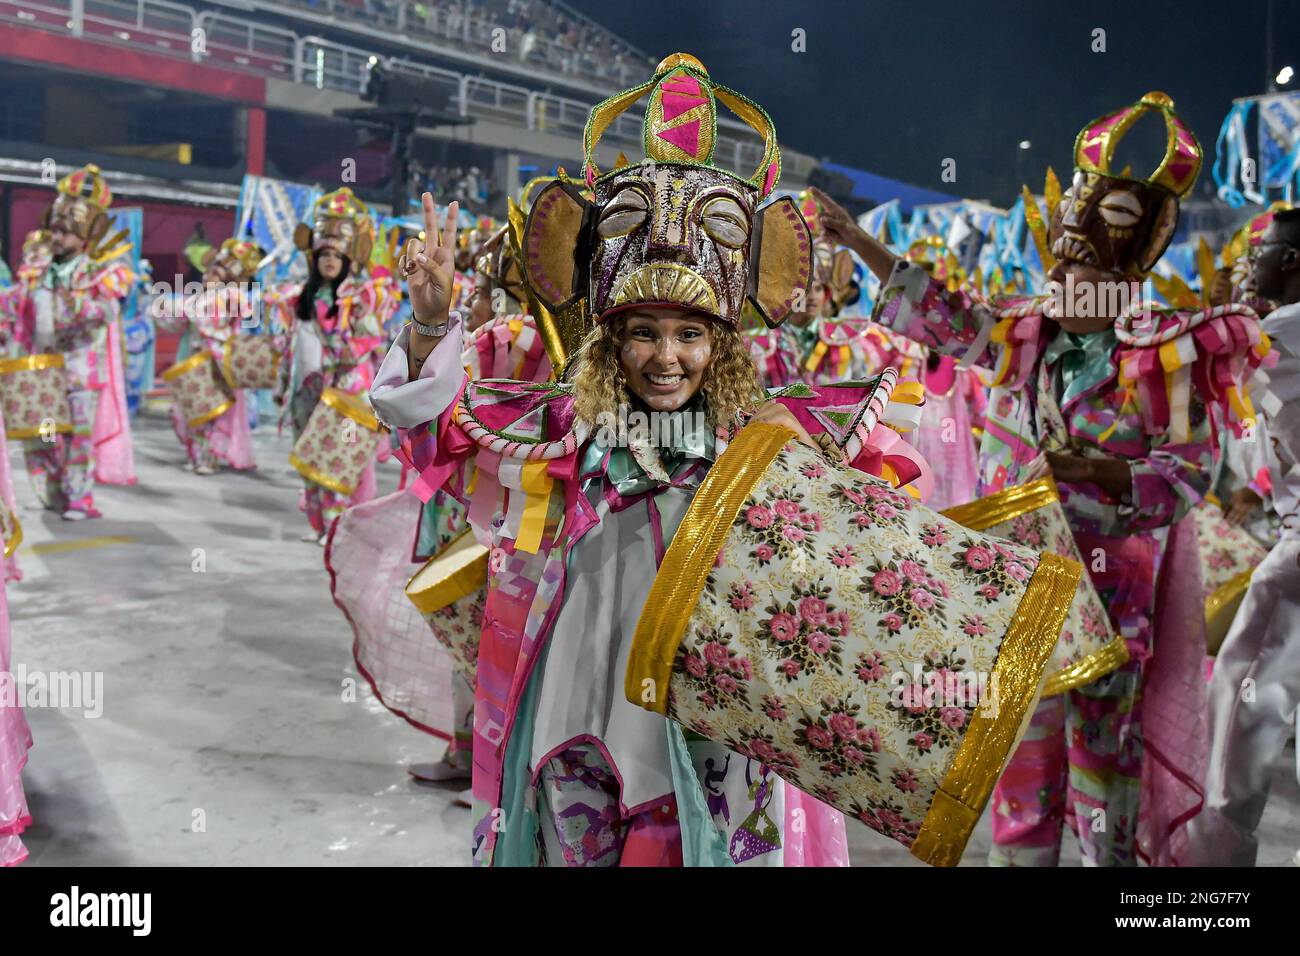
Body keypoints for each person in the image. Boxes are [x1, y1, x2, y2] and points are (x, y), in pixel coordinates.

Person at [370, 54, 875, 866]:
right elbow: (435, 438)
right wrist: (430, 325)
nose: (664, 357)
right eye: (643, 331)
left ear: (722, 345)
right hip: (570, 723)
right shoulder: (567, 431)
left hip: (706, 742)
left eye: (689, 334)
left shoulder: (769, 447)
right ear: (611, 340)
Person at [812, 92, 1269, 866]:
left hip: (1116, 596)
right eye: (1060, 260)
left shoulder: (1169, 357)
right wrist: (857, 238)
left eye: (1081, 264)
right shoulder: (1020, 335)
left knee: (1104, 774)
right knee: (1021, 777)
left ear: (1123, 274)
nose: (1063, 274)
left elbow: (1188, 477)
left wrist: (1096, 470)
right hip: (1021, 590)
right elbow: (938, 314)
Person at [1186, 205, 1300, 865]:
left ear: (1288, 263)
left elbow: (1202, 384)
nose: (1246, 261)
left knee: (1243, 693)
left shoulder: (1282, 331)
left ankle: (1212, 873)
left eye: (1260, 250)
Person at [0, 165, 135, 519]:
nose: (56, 237)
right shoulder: (37, 268)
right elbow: (15, 306)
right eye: (54, 228)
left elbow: (104, 311)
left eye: (65, 231)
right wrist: (26, 284)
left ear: (85, 234)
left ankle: (79, 498)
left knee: (77, 436)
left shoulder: (100, 272)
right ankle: (54, 490)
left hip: (79, 369)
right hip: (42, 369)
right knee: (45, 435)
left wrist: (65, 298)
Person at [266, 188, 399, 544]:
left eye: (336, 254)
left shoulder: (360, 297)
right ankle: (318, 524)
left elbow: (371, 339)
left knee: (337, 458)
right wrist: (282, 385)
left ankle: (336, 524)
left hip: (345, 391)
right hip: (305, 390)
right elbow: (288, 343)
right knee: (308, 456)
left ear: (348, 258)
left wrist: (342, 354)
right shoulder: (297, 298)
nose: (328, 260)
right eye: (322, 253)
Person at [156, 238, 263, 474]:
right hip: (194, 361)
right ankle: (196, 456)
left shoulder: (232, 297)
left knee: (212, 413)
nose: (211, 274)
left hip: (217, 364)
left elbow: (210, 318)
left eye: (219, 271)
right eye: (210, 270)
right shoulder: (198, 298)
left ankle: (209, 458)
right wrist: (165, 309)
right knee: (190, 411)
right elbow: (177, 320)